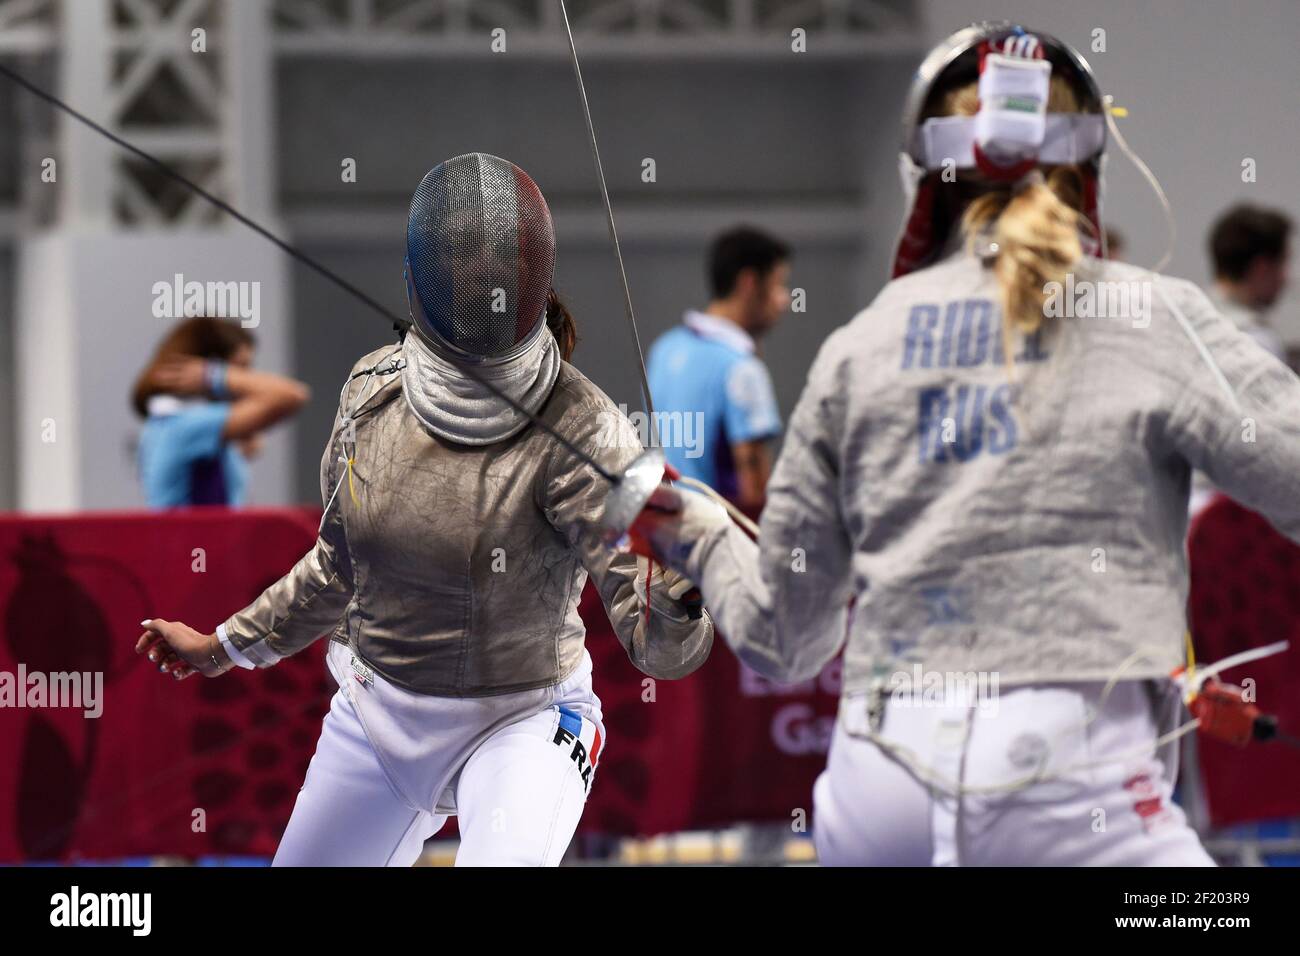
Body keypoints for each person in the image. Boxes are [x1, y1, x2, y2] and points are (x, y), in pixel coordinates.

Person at [627, 23, 1300, 866]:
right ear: (1085, 162)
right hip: (1071, 780)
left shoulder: (858, 348)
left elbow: (786, 637)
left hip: (878, 785)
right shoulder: (1152, 317)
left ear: (925, 169)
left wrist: (694, 531)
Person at [135, 153, 712, 866]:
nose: (480, 278)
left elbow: (657, 645)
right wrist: (223, 646)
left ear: (528, 280)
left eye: (494, 263)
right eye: (462, 261)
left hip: (524, 720)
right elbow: (336, 570)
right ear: (422, 279)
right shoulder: (370, 395)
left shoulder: (585, 428)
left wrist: (679, 588)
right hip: (376, 718)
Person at [646, 227, 790, 511]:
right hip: (719, 544)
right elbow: (754, 495)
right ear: (749, 283)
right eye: (778, 285)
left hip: (663, 540)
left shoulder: (663, 350)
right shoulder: (742, 369)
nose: (785, 300)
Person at [132, 317, 309, 507]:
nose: (247, 381)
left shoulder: (171, 421)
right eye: (240, 369)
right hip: (193, 537)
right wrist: (213, 375)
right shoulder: (187, 425)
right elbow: (293, 395)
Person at [1207, 204, 1291, 361]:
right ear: (1262, 268)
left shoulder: (1184, 323)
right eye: (1283, 264)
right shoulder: (1258, 343)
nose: (1286, 278)